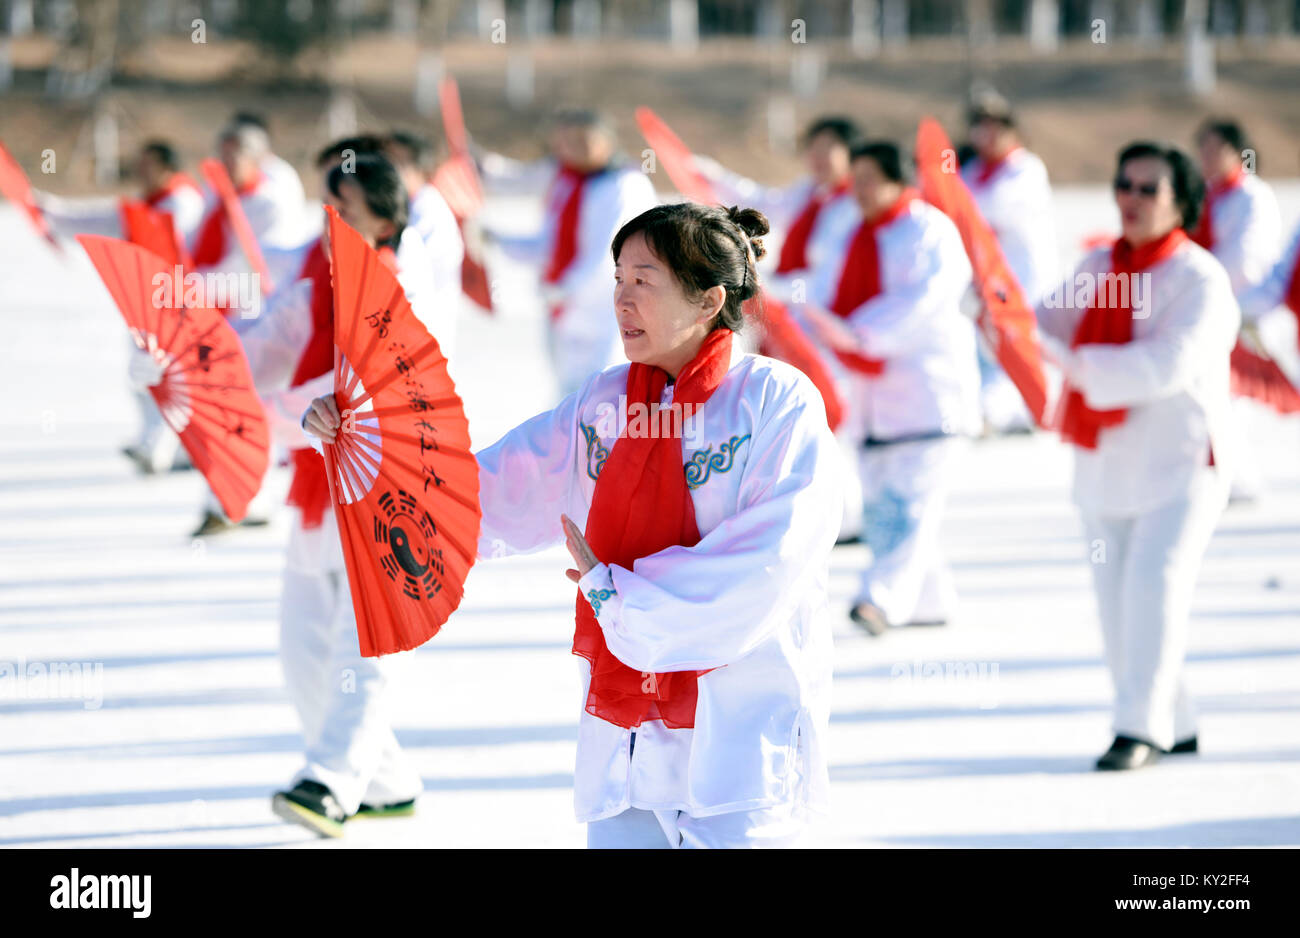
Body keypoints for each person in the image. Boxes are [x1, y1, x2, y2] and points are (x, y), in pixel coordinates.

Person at [306, 202, 843, 848]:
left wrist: (624, 598)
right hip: (626, 736)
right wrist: (367, 440)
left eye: (644, 282)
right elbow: (489, 487)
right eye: (618, 280)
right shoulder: (605, 403)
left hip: (737, 734)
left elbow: (771, 562)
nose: (621, 300)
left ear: (708, 302)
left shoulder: (774, 401)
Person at [244, 154, 434, 835]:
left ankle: (330, 780)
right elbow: (258, 346)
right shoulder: (315, 290)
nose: (330, 223)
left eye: (344, 210)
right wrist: (195, 362)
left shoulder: (404, 289)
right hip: (315, 491)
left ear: (384, 220)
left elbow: (349, 389)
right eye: (326, 209)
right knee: (302, 651)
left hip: (389, 497)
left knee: (365, 650)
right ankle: (387, 782)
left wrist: (271, 412)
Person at [1035, 142, 1237, 771]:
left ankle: (1136, 728)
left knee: (1155, 588)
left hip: (1180, 469)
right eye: (1125, 184)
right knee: (1118, 605)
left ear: (1181, 202)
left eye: (1150, 188)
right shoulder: (1099, 265)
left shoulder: (1200, 278)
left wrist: (1072, 365)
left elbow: (1163, 367)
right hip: (1103, 465)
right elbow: (1044, 327)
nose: (1133, 198)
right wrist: (998, 316)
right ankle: (1174, 722)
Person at [798, 140, 981, 637]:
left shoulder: (928, 231)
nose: (858, 191)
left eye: (869, 180)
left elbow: (923, 301)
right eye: (853, 180)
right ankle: (929, 601)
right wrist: (820, 327)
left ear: (898, 179)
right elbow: (821, 292)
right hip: (871, 400)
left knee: (913, 504)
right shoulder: (849, 232)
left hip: (928, 395)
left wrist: (860, 334)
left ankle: (878, 598)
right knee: (886, 510)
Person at [38, 140, 206, 475]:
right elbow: (105, 220)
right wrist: (50, 211)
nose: (141, 171)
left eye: (148, 164)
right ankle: (154, 444)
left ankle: (164, 448)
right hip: (144, 301)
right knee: (142, 376)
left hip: (176, 304)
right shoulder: (148, 203)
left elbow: (157, 237)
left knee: (166, 375)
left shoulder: (183, 201)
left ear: (166, 167)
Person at [476, 108, 658, 397]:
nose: (572, 149)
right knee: (568, 399)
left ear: (607, 142)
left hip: (610, 311)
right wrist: (497, 239)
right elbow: (549, 243)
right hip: (563, 312)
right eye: (565, 141)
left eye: (583, 140)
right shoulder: (566, 182)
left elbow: (610, 255)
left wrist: (566, 289)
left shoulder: (624, 185)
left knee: (607, 394)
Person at [1191, 118, 1285, 502]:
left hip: (1245, 311)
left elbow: (1248, 261)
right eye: (1204, 149)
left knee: (1230, 399)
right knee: (1216, 398)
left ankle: (1235, 481)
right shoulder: (1203, 197)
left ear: (1238, 152)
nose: (1208, 158)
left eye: (1217, 149)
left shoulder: (1252, 196)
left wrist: (1194, 277)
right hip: (1208, 310)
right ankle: (1228, 478)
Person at [960, 89, 1058, 434]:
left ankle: (1007, 411)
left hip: (1025, 279)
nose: (987, 135)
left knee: (1015, 347)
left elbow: (984, 209)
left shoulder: (1025, 169)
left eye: (996, 127)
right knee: (985, 348)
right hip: (986, 280)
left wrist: (949, 197)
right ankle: (1002, 411)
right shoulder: (972, 170)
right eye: (980, 126)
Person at [385, 130, 466, 357]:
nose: (389, 170)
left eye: (398, 163)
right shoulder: (403, 206)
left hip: (424, 332)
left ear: (421, 170)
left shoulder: (429, 211)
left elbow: (413, 274)